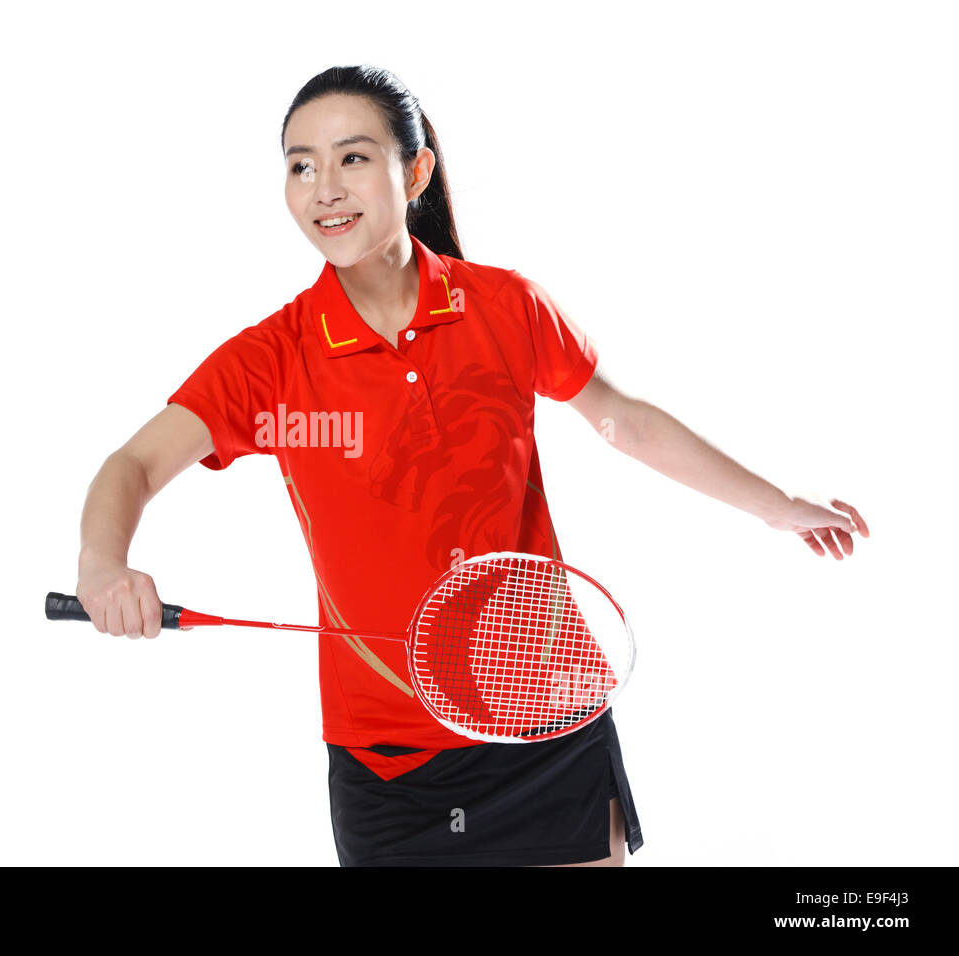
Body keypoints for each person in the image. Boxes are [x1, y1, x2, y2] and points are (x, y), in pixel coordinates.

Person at [73, 65, 869, 867]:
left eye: (352, 158)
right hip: (391, 761)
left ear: (414, 172)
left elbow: (623, 422)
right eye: (299, 164)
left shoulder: (507, 306)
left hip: (547, 714)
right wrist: (103, 564)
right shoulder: (271, 362)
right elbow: (133, 465)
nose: (323, 188)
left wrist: (777, 505)